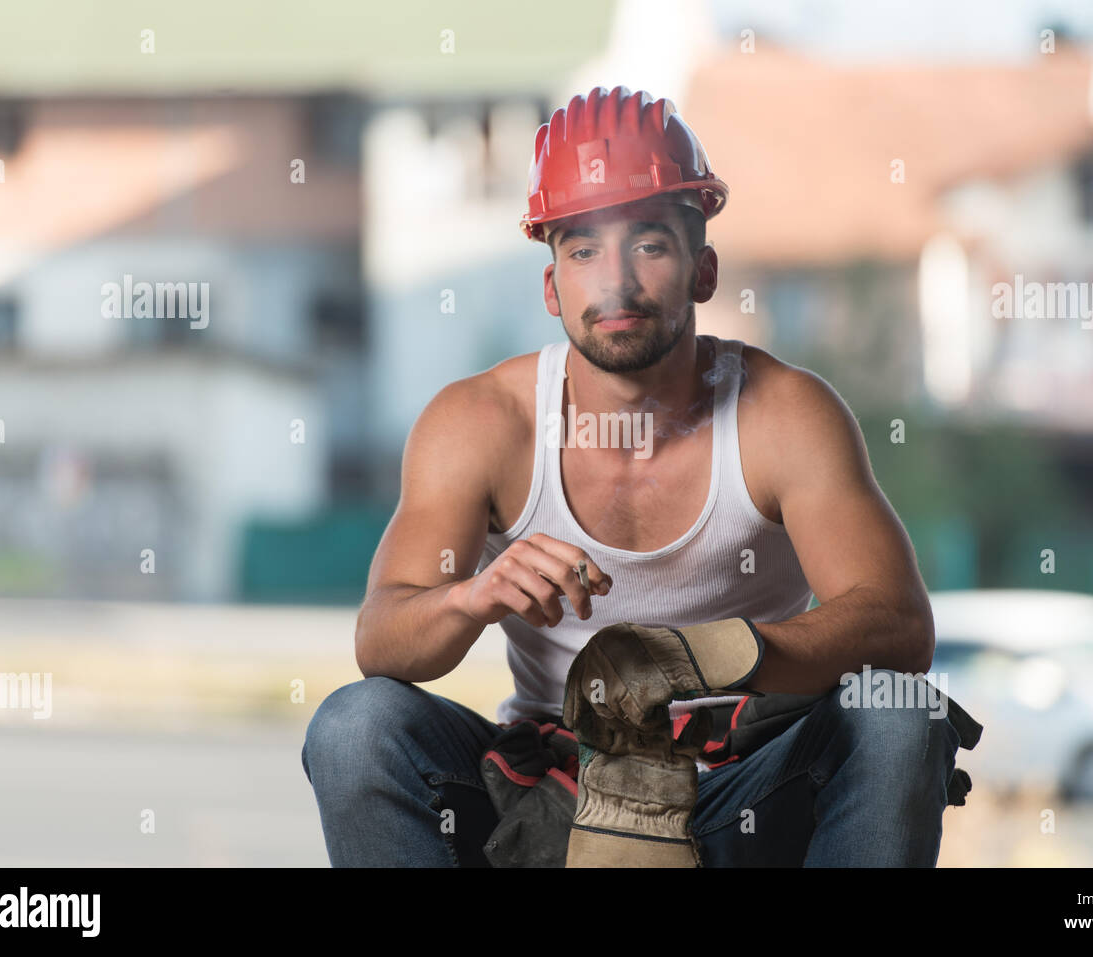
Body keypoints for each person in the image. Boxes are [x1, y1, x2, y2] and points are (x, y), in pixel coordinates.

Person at [302, 85, 966, 867]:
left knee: (899, 714)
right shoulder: (479, 422)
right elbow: (381, 640)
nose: (614, 280)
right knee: (355, 726)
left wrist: (710, 655)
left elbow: (899, 627)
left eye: (648, 243)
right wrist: (469, 595)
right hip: (547, 787)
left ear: (703, 269)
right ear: (552, 285)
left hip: (744, 784)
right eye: (583, 249)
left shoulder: (786, 413)